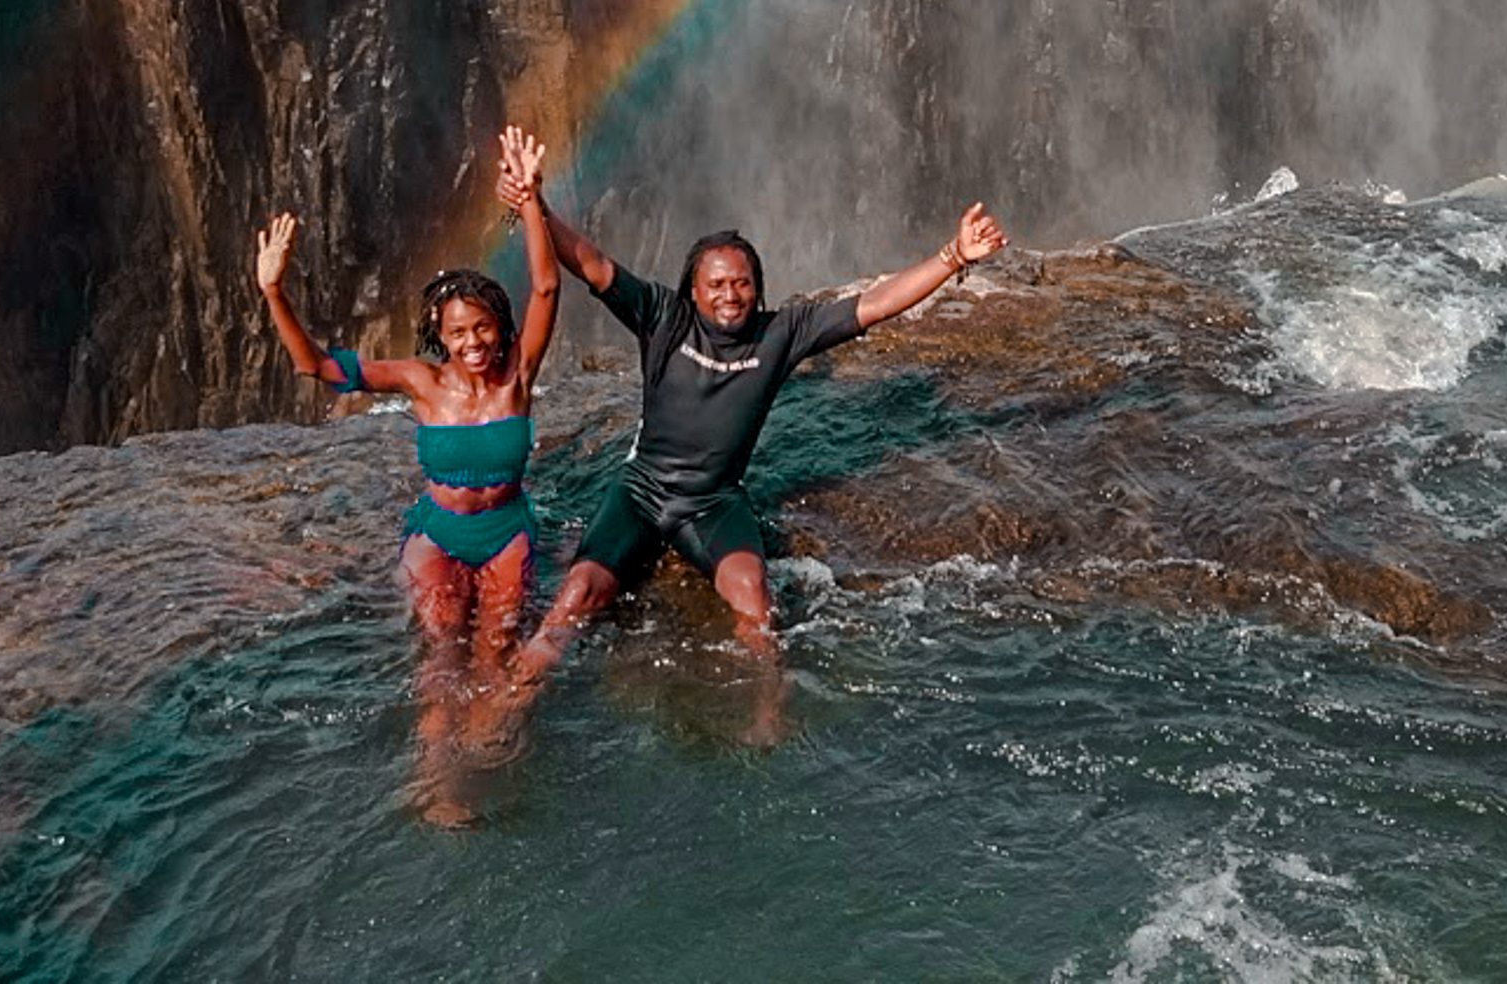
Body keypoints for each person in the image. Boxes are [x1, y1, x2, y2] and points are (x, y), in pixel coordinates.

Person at [508, 179, 1007, 736]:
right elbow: (592, 264)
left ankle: (768, 714)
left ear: (758, 288)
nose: (730, 294)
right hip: (642, 492)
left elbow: (874, 304)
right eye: (716, 284)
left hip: (713, 501)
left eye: (742, 283)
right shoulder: (662, 316)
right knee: (578, 593)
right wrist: (535, 206)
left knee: (755, 599)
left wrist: (954, 256)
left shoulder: (781, 333)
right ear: (693, 291)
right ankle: (513, 700)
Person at [253, 125, 558, 823]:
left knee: (495, 656)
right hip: (440, 533)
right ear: (439, 337)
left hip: (507, 531)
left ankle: (490, 768)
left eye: (482, 328)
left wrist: (532, 201)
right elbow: (322, 371)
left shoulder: (518, 374)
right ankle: (440, 788)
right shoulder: (421, 382)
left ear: (498, 328)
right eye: (458, 332)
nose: (473, 343)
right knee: (442, 654)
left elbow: (545, 284)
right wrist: (274, 293)